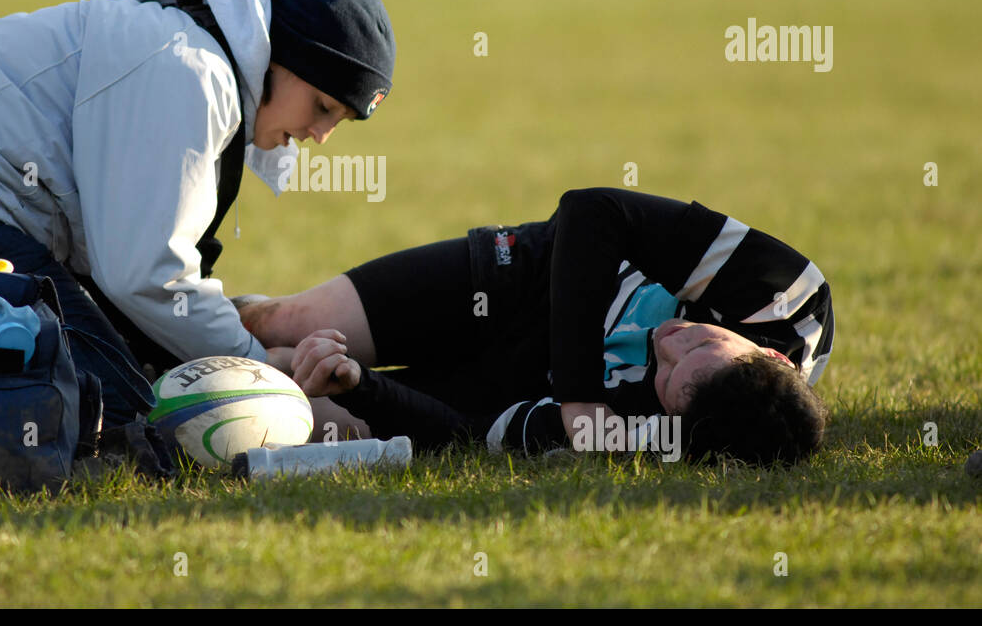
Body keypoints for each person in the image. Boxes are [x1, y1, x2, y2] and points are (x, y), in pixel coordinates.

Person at [0, 0, 396, 462]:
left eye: (337, 122)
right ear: (285, 58)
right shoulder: (190, 69)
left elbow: (134, 280)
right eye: (322, 106)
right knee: (123, 421)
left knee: (138, 382)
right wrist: (256, 367)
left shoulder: (194, 50)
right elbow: (144, 275)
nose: (320, 135)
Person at [242, 187, 834, 466]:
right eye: (701, 340)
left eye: (667, 378)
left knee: (287, 406)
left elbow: (471, 433)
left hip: (522, 383)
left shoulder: (666, 434)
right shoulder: (786, 298)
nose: (665, 343)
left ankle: (154, 407)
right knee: (284, 322)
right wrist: (580, 398)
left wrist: (360, 385)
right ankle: (157, 320)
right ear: (773, 357)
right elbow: (593, 211)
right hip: (526, 282)